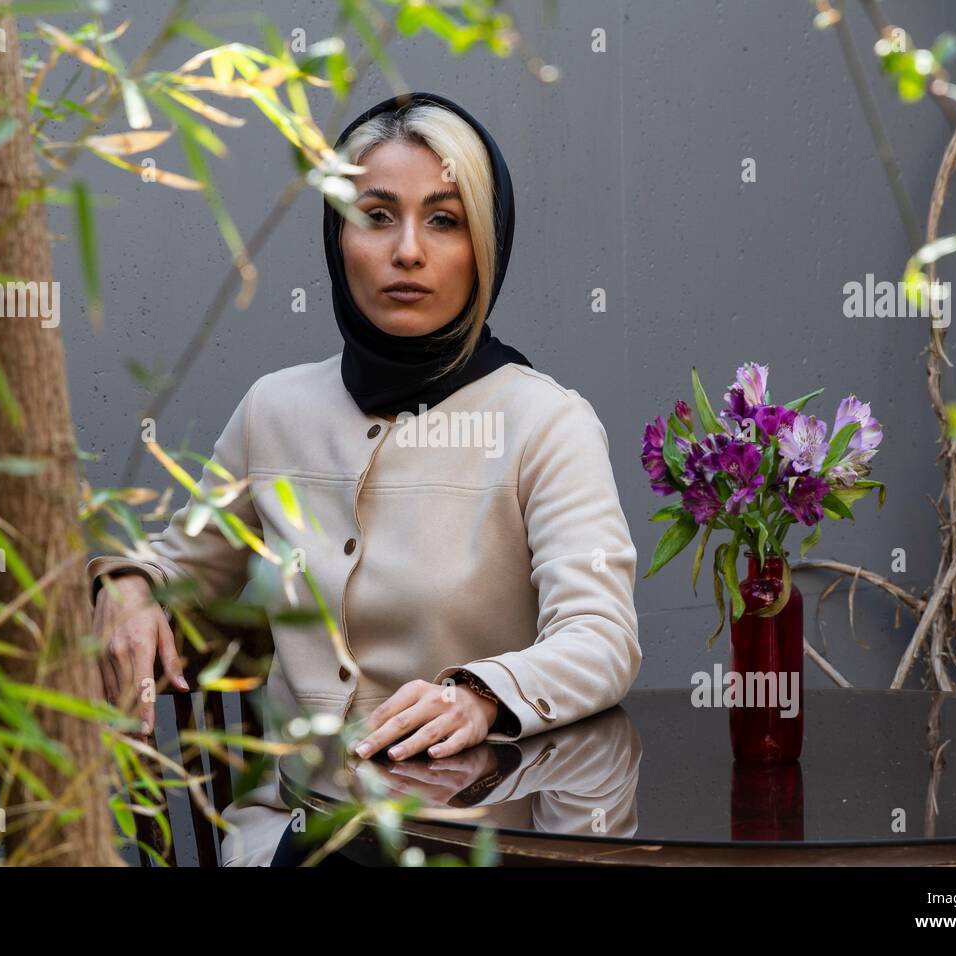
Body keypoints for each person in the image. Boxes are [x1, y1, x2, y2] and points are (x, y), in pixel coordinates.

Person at [88, 91, 642, 866]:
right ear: (337, 234)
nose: (407, 250)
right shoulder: (273, 411)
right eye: (377, 215)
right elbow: (181, 570)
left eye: (443, 220)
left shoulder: (546, 423)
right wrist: (125, 585)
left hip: (471, 841)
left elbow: (601, 636)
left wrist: (477, 695)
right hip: (291, 836)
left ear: (485, 243)